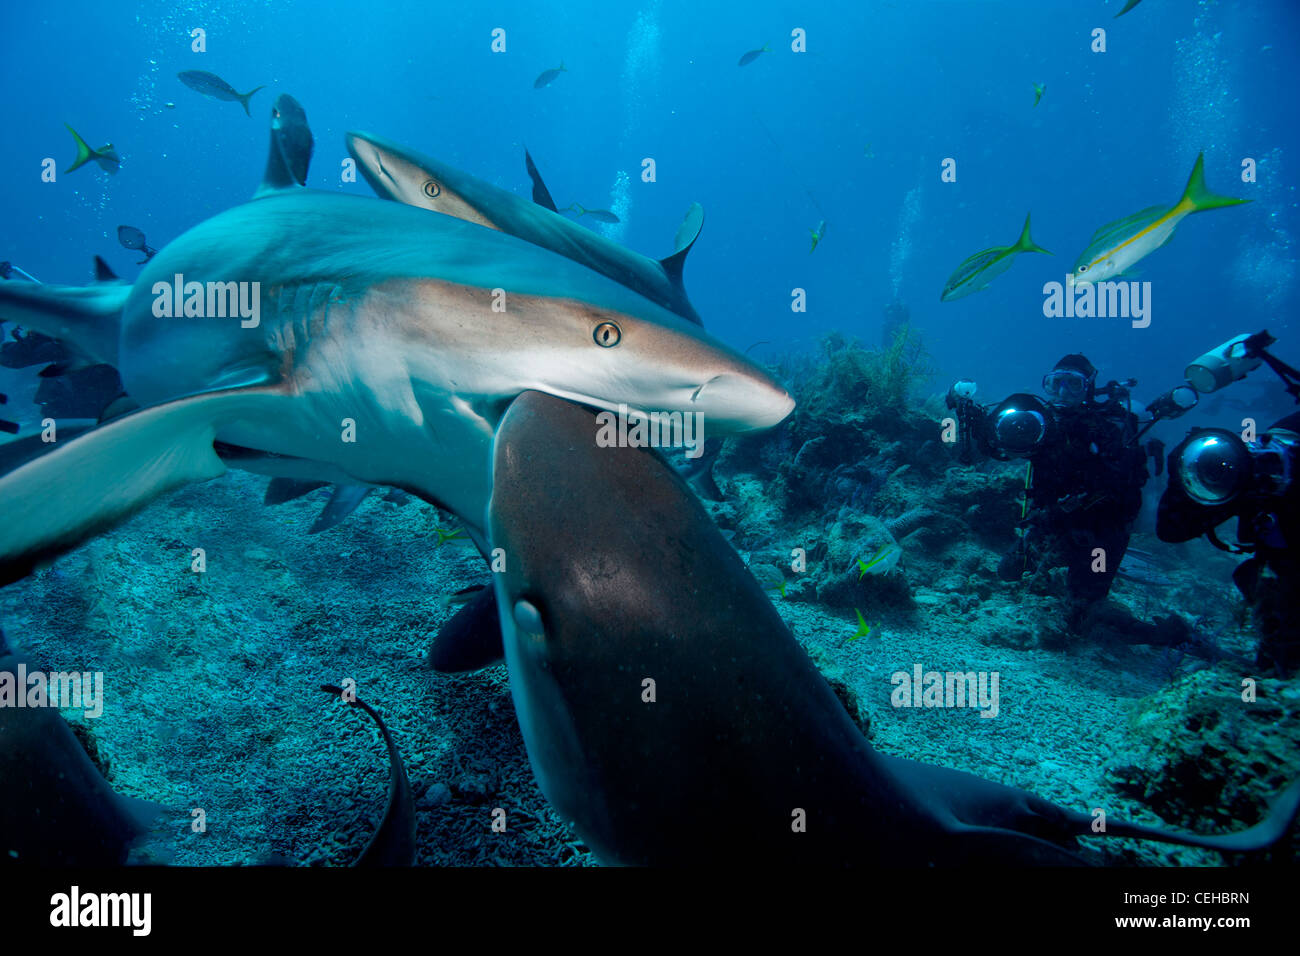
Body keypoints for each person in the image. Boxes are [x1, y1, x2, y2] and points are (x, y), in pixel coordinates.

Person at [949, 355, 1154, 625]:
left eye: (1073, 384)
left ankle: (1171, 633)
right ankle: (1063, 559)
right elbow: (995, 452)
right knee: (1010, 571)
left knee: (1085, 612)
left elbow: (1122, 492)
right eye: (1055, 384)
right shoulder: (1042, 423)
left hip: (1101, 535)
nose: (1062, 393)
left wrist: (1067, 510)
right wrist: (978, 428)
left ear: (1089, 388)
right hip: (1051, 525)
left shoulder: (1108, 430)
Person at [1157, 412, 1300, 675]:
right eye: (1268, 449)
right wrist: (1181, 480)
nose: (1275, 467)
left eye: (1291, 453)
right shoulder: (1255, 487)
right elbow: (1171, 530)